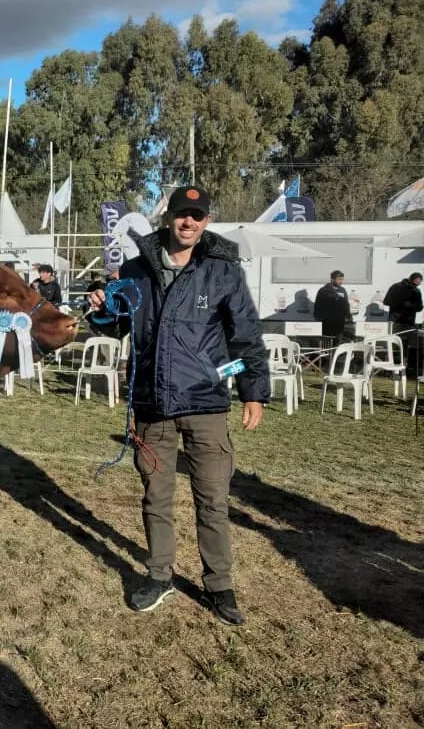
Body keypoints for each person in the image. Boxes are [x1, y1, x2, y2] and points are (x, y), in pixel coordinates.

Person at [86, 185, 269, 626]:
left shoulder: (222, 271)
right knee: (156, 497)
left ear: (206, 222)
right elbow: (117, 326)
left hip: (205, 403)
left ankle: (219, 584)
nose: (189, 222)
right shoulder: (136, 269)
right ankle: (159, 574)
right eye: (182, 214)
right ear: (168, 217)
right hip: (152, 404)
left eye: (198, 216)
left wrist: (254, 391)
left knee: (213, 500)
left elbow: (245, 333)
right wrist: (99, 308)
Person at [314, 270, 352, 345]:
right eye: (339, 279)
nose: (341, 281)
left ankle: (336, 355)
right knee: (326, 342)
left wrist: (348, 316)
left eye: (342, 279)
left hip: (339, 323)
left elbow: (346, 304)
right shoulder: (324, 290)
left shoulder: (342, 290)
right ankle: (326, 356)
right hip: (327, 323)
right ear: (332, 279)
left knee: (338, 342)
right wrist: (319, 318)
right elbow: (317, 305)